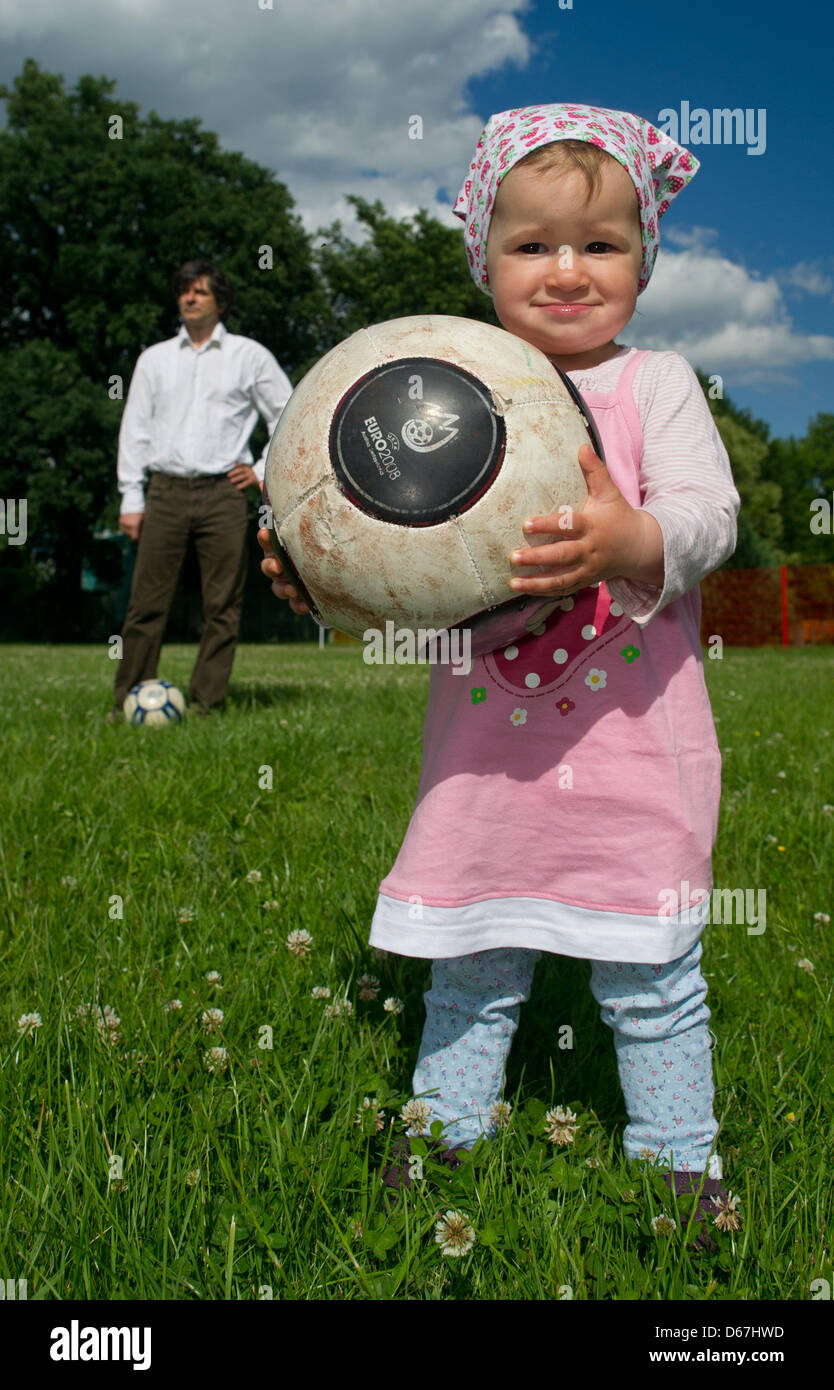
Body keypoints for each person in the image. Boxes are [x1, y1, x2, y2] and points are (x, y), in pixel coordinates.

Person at [258, 104, 742, 1249]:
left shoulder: (655, 385)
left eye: (602, 245)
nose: (567, 271)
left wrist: (630, 542)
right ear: (485, 257)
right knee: (469, 961)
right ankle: (443, 1132)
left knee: (652, 976)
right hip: (487, 768)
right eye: (532, 245)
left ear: (643, 258)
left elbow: (708, 517)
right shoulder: (430, 386)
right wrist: (337, 590)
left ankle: (678, 1162)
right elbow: (433, 618)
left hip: (633, 761)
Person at [108, 260, 293, 719]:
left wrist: (260, 469)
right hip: (165, 491)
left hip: (224, 495)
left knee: (222, 605)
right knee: (146, 603)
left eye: (201, 291)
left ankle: (208, 702)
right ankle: (127, 699)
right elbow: (135, 430)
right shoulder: (153, 359)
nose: (190, 298)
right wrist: (131, 497)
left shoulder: (249, 356)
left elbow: (288, 411)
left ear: (221, 302)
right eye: (185, 291)